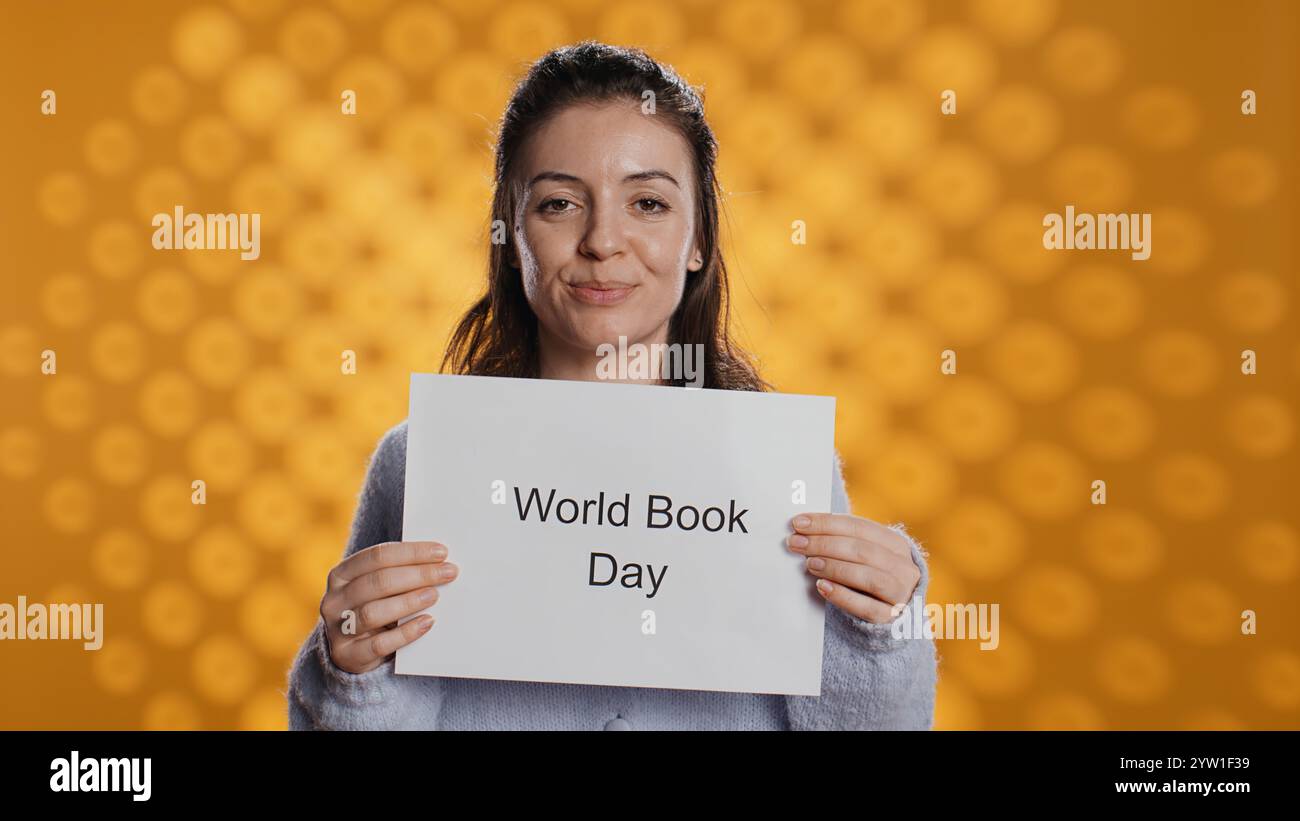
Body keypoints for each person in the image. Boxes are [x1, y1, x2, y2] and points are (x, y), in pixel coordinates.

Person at [286, 41, 937, 730]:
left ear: (698, 241)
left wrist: (884, 632)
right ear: (512, 238)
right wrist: (350, 671)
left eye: (648, 202)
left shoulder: (780, 470)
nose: (603, 240)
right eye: (560, 203)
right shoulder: (423, 462)